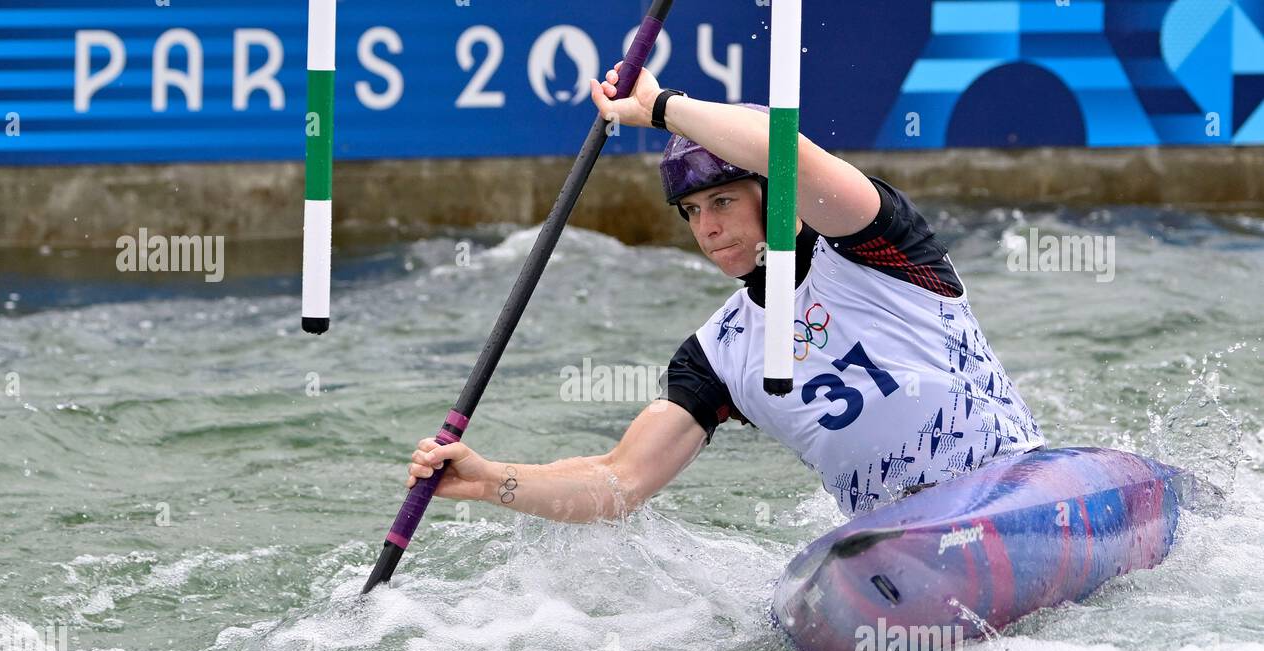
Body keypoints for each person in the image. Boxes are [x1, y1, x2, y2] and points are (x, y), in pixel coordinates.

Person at [405, 63, 1044, 521]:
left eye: (722, 201)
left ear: (776, 192)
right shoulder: (717, 355)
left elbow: (784, 150)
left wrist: (659, 108)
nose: (707, 227)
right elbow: (620, 482)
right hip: (901, 544)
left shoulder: (876, 245)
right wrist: (493, 480)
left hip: (1016, 486)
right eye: (690, 211)